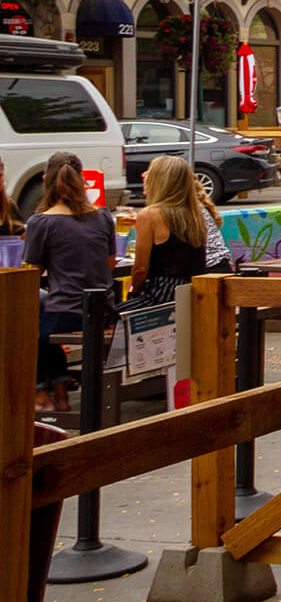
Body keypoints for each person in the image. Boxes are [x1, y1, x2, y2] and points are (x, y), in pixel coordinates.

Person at [23, 158, 115, 411]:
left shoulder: (41, 222)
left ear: (45, 181)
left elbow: (31, 274)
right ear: (81, 179)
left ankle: (42, 392)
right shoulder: (102, 217)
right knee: (43, 314)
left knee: (23, 324)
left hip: (67, 313)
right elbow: (110, 264)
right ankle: (61, 389)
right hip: (103, 312)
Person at [129, 156, 216, 298]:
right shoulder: (195, 214)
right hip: (194, 295)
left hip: (163, 293)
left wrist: (134, 291)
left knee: (109, 316)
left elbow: (140, 269)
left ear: (157, 182)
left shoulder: (149, 214)